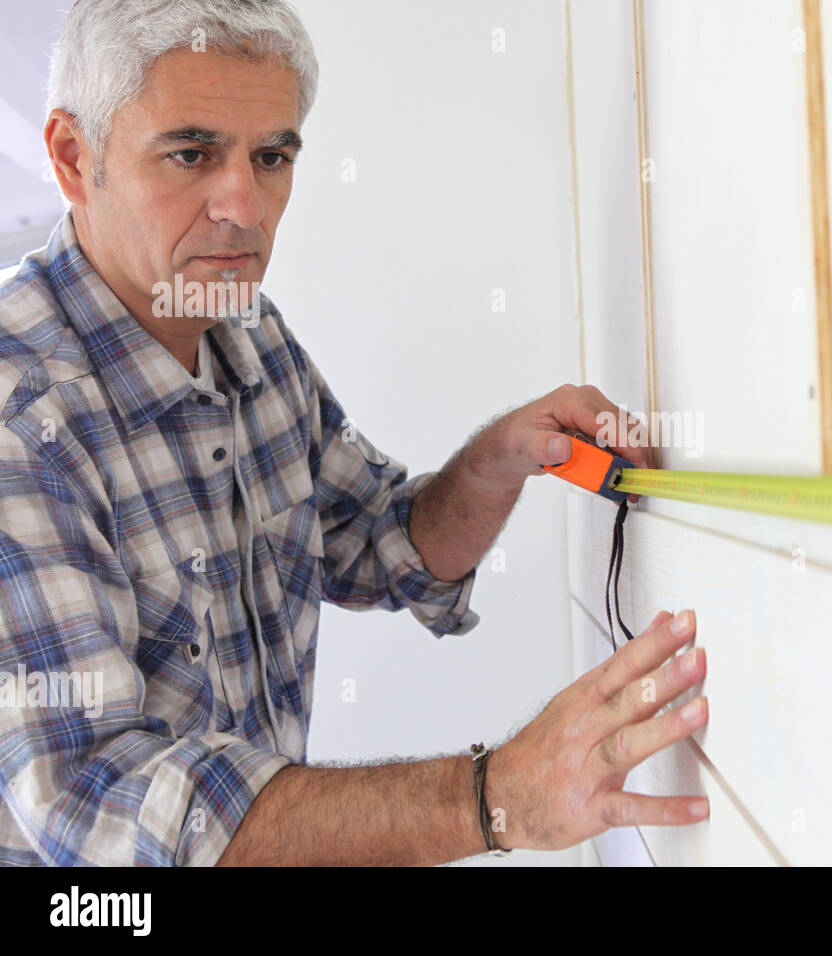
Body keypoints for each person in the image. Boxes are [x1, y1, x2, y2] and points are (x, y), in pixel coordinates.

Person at [0, 0, 707, 866]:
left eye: (272, 157)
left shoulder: (249, 336)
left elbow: (379, 544)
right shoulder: (19, 416)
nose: (245, 206)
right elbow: (97, 796)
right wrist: (494, 796)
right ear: (75, 159)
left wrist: (496, 461)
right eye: (191, 153)